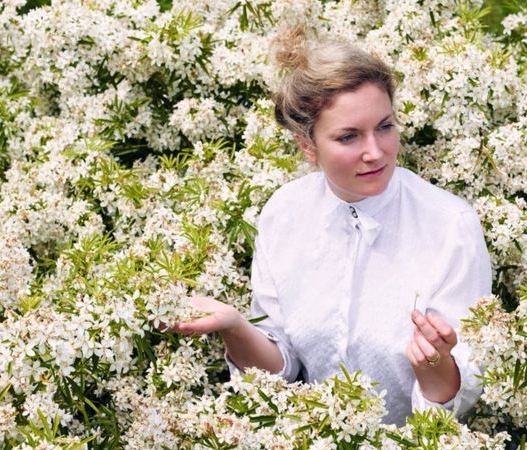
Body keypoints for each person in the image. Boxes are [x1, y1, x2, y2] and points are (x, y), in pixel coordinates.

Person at [174, 28, 492, 426]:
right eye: (349, 137)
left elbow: (458, 399)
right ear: (307, 145)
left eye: (385, 126)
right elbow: (280, 371)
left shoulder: (450, 226)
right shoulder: (284, 213)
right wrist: (234, 326)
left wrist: (435, 364)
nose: (375, 152)